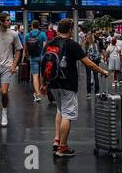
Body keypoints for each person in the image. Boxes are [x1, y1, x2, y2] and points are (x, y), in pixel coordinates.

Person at [45, 19, 110, 158]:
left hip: (53, 83)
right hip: (68, 84)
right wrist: (102, 71)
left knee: (60, 110)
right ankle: (62, 148)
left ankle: (57, 139)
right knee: (67, 115)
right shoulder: (72, 45)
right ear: (70, 30)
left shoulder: (49, 43)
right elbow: (88, 64)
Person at [24, 19, 47, 103]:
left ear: (32, 26)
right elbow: (45, 47)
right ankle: (41, 89)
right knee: (42, 74)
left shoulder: (27, 35)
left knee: (35, 76)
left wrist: (26, 57)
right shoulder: (43, 34)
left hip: (33, 57)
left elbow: (25, 48)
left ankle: (37, 94)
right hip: (42, 57)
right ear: (39, 26)